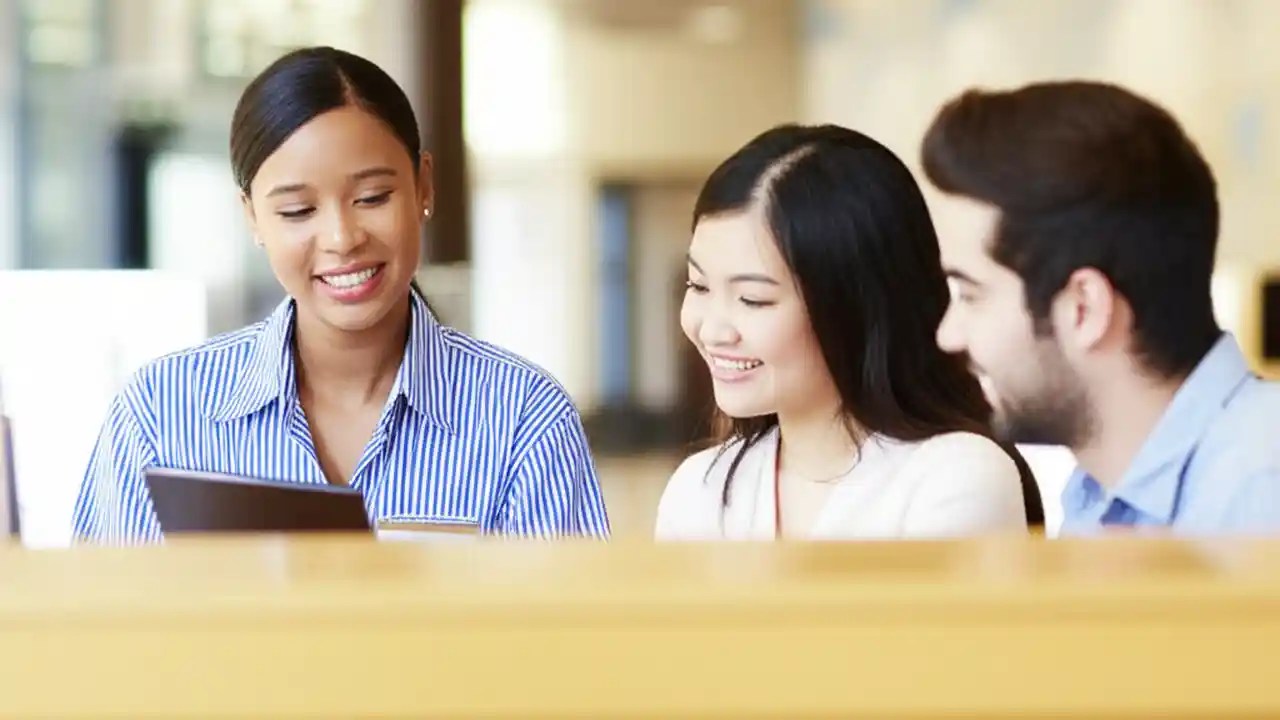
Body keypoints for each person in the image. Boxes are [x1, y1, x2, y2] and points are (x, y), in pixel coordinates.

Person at [72, 47, 609, 542]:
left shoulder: (524, 420)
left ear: (423, 185)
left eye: (372, 197)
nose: (342, 238)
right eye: (298, 211)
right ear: (252, 216)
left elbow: (574, 615)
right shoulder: (161, 413)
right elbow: (101, 610)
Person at [923, 80, 1280, 534]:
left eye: (971, 295)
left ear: (1084, 309)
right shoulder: (1097, 492)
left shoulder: (1259, 493)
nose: (947, 335)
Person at [654, 124, 1042, 540]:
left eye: (753, 299)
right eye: (699, 286)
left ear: (854, 303)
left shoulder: (956, 477)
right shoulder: (699, 489)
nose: (712, 329)